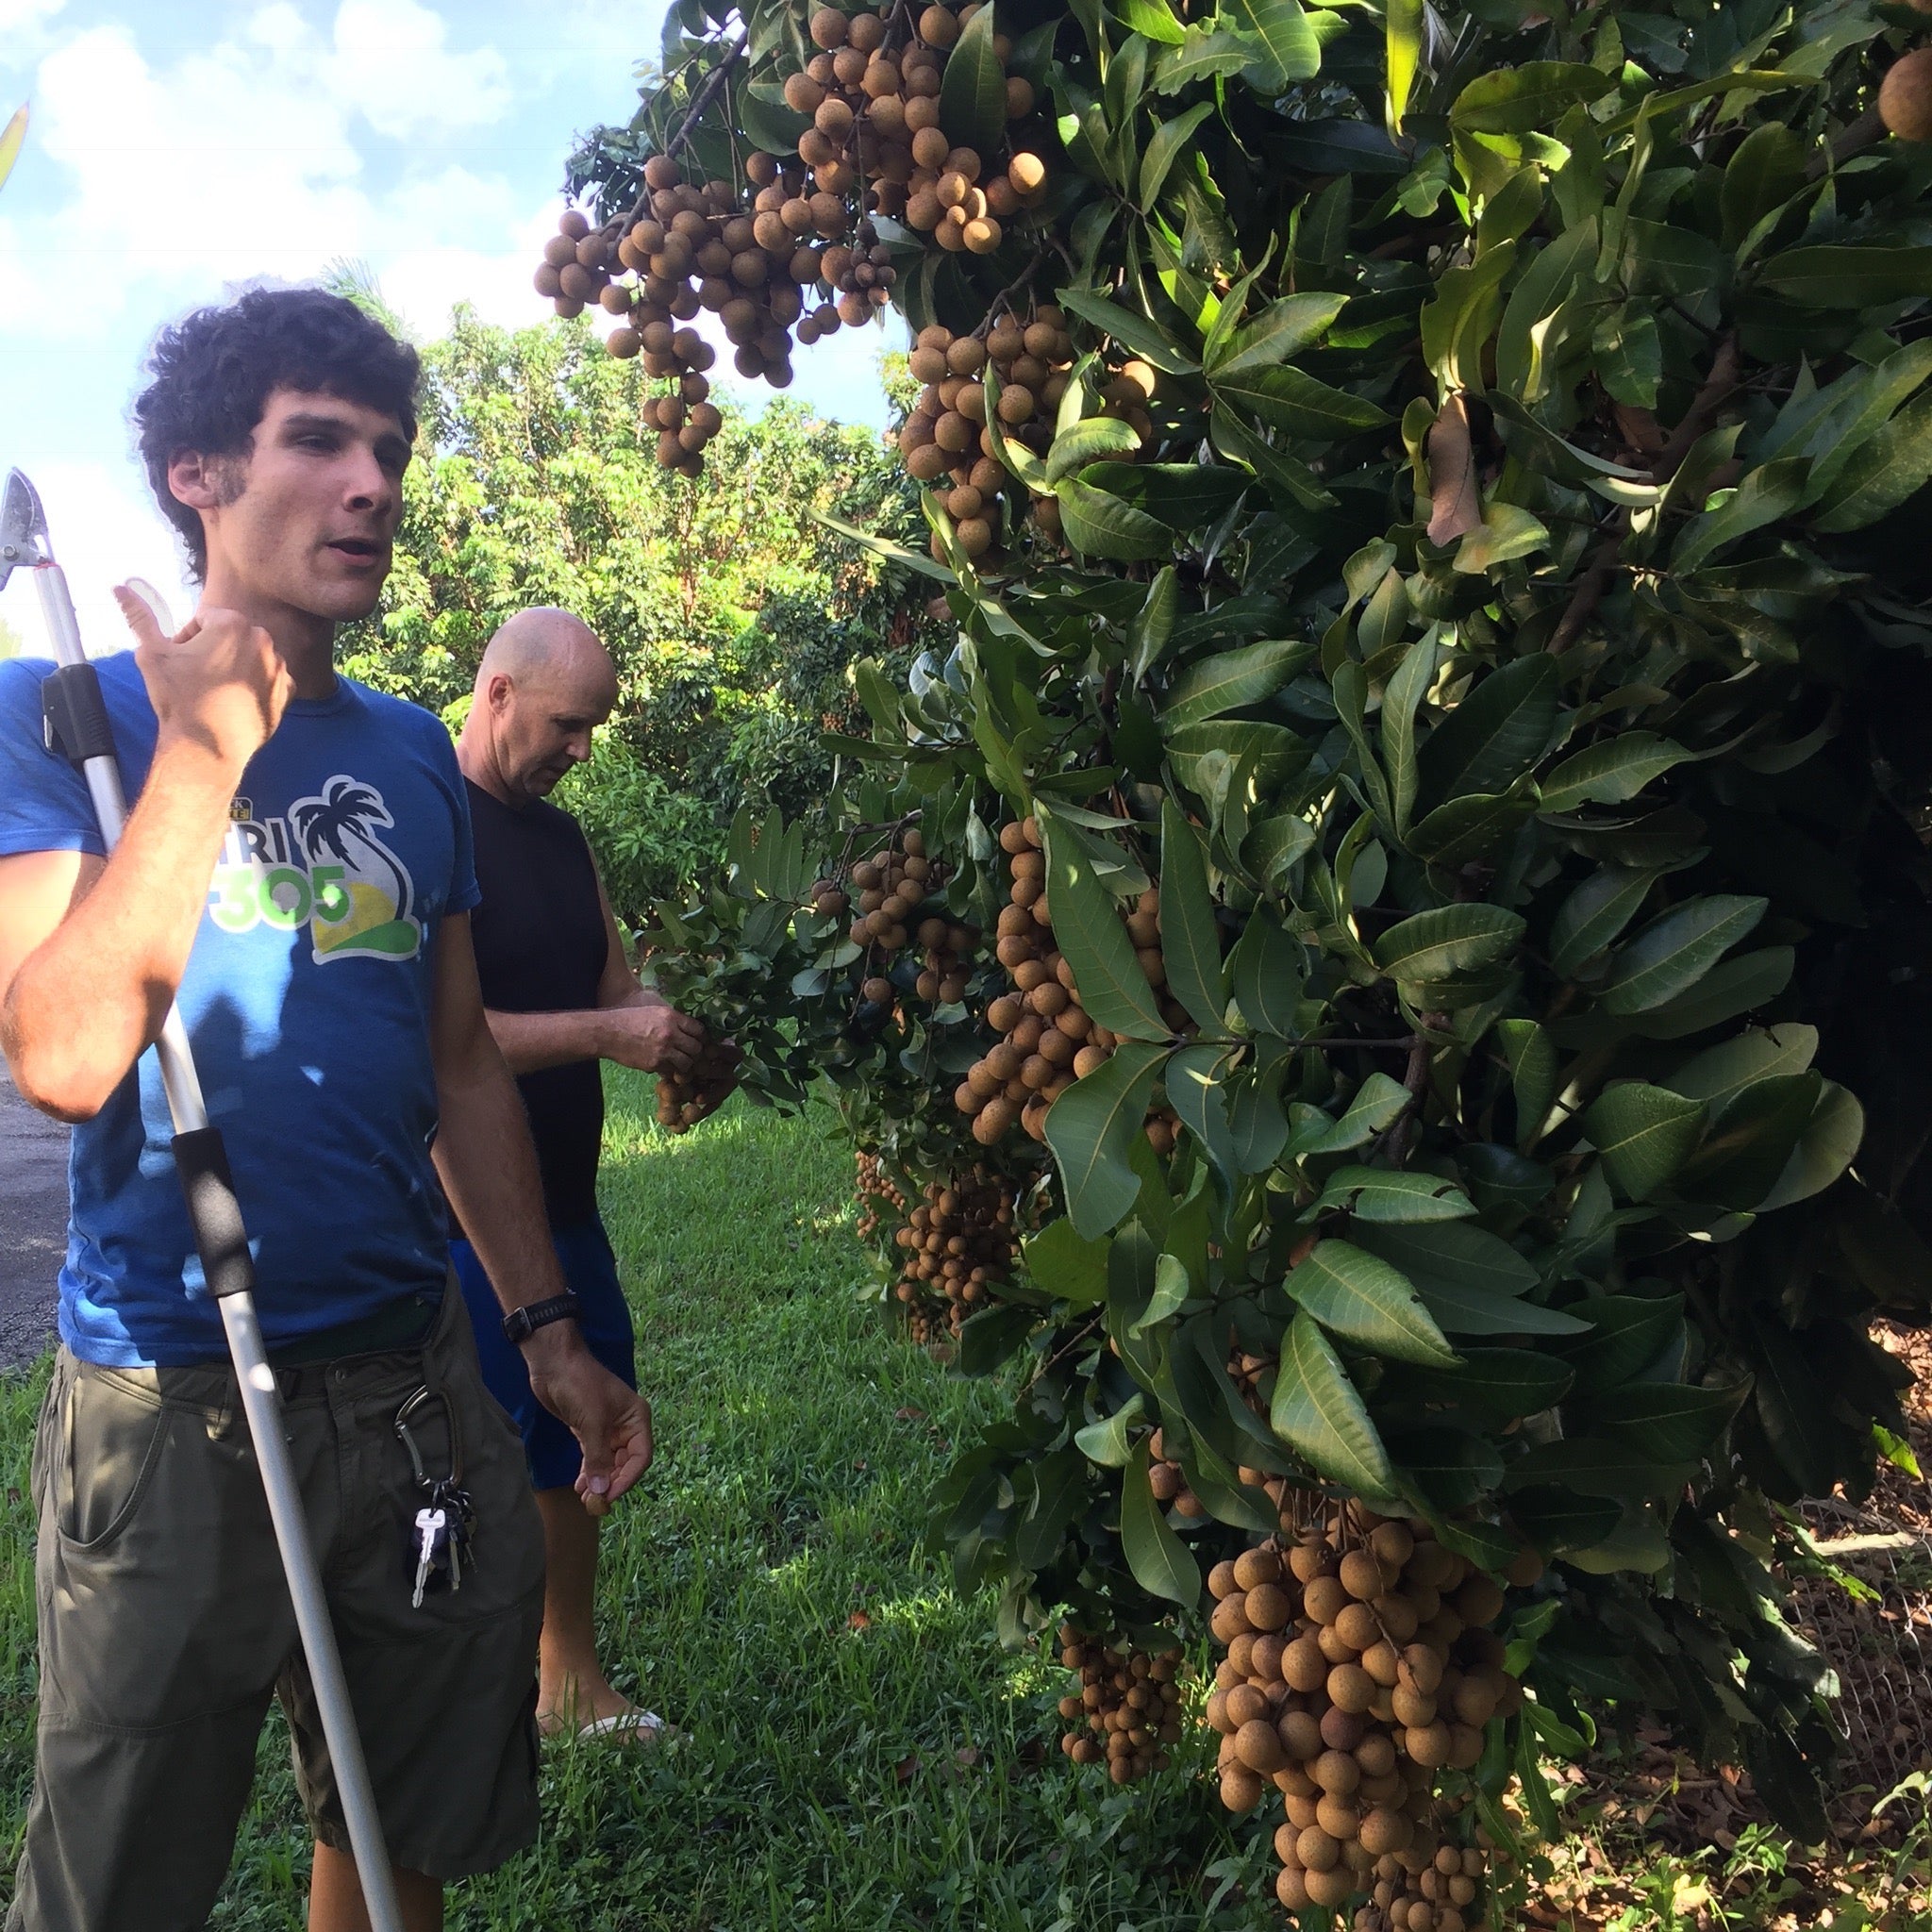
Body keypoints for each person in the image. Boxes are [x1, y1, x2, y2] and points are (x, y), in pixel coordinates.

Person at [0, 288, 651, 1932]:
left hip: (405, 1373)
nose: (372, 483)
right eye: (319, 441)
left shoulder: (416, 751)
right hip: (173, 1391)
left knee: (397, 1800)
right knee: (120, 1867)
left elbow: (456, 1067)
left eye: (389, 449)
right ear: (197, 470)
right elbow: (66, 1052)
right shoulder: (59, 722)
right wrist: (208, 751)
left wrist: (549, 1326)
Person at [451, 608, 734, 1740]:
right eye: (570, 724)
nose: (582, 750)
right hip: (462, 1209)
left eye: (595, 729)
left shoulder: (565, 844)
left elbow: (615, 988)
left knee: (587, 1422)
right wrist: (600, 1035)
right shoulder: (431, 826)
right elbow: (441, 1035)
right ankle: (480, 1676)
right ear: (500, 693)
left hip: (566, 1194)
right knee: (493, 1443)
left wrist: (682, 1029)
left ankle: (567, 1674)